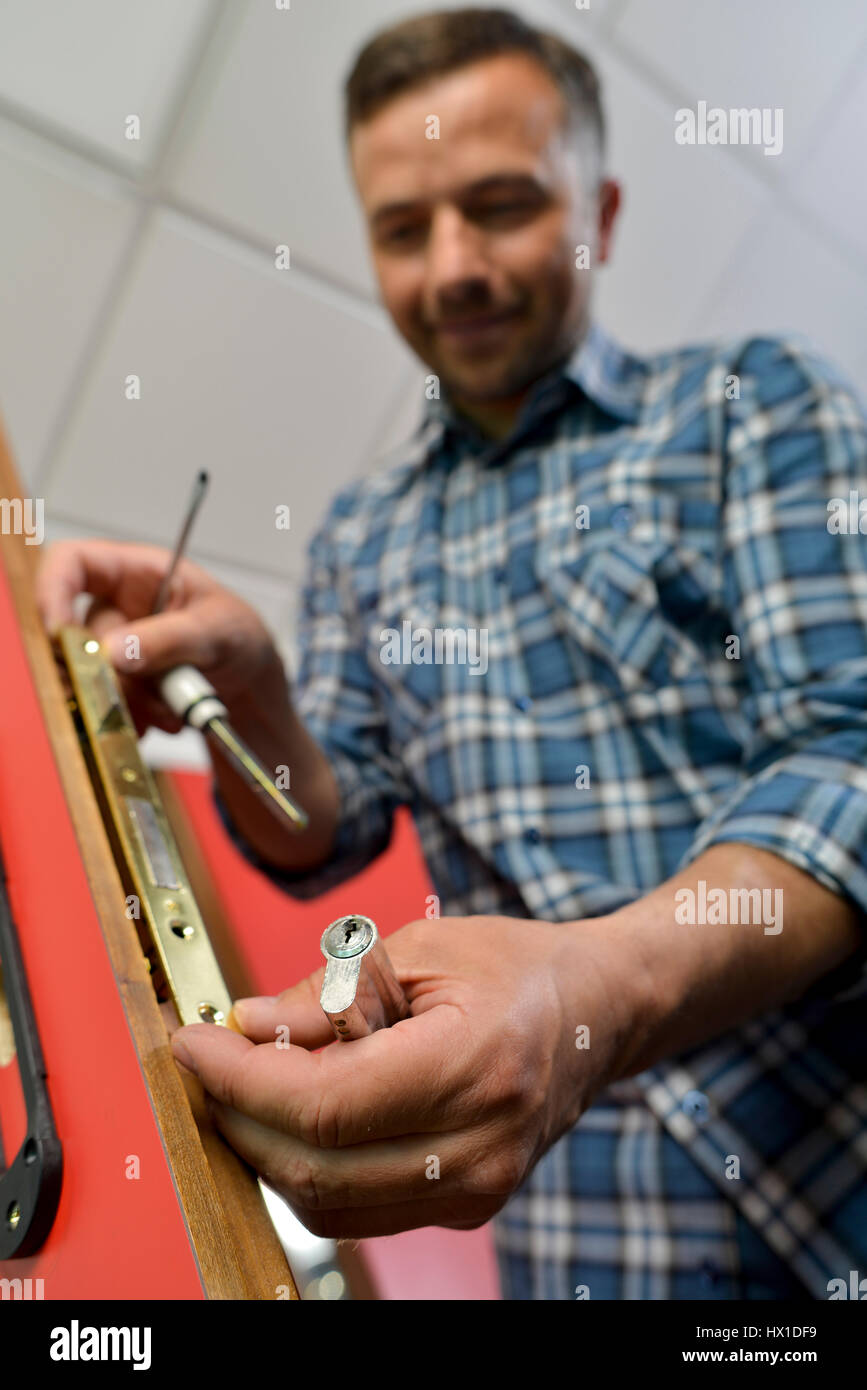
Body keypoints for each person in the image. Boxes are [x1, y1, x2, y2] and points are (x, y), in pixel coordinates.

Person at [37, 8, 867, 1301]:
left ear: (599, 206)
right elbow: (327, 824)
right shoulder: (360, 543)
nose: (455, 265)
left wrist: (596, 989)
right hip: (594, 1255)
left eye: (502, 204)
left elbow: (852, 746)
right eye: (403, 228)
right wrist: (257, 702)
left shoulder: (753, 405)